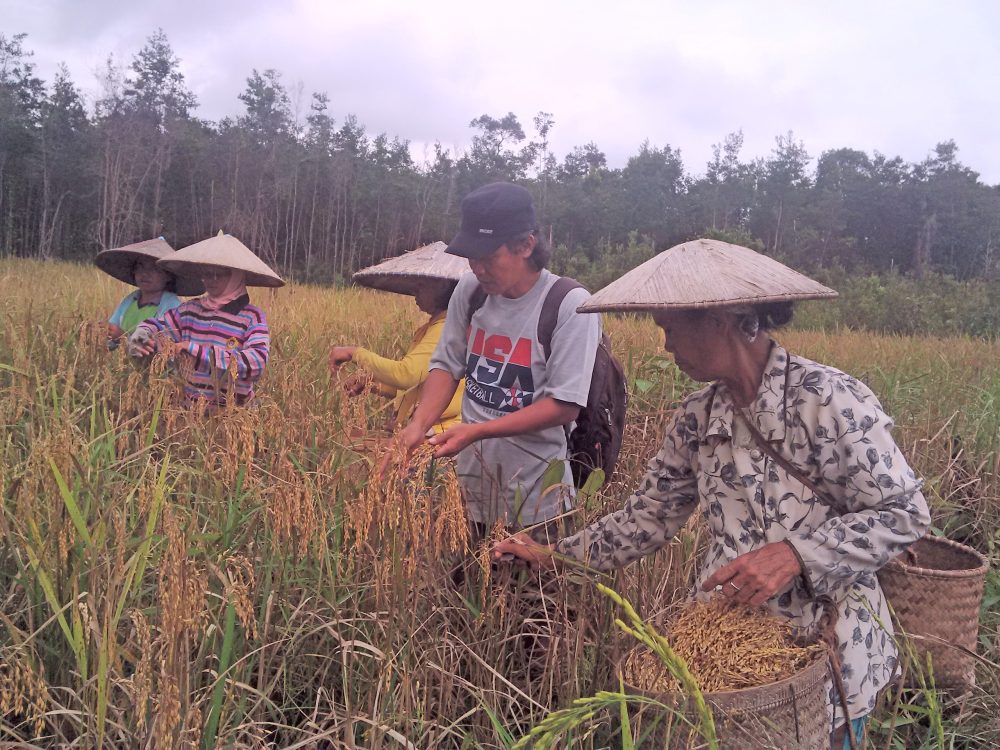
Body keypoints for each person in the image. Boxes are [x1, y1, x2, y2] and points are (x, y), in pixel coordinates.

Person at [493, 238, 931, 748]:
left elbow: (905, 513)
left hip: (829, 650)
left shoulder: (829, 401)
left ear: (719, 321)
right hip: (724, 651)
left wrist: (796, 554)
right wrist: (555, 555)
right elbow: (647, 518)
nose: (667, 347)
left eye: (671, 329)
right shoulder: (696, 418)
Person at [389, 182, 602, 540]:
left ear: (526, 245)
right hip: (471, 492)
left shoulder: (569, 304)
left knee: (529, 596)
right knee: (462, 590)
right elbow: (447, 364)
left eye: (488, 257)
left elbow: (564, 406)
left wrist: (478, 431)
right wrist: (417, 425)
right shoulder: (470, 291)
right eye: (472, 257)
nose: (478, 268)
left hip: (539, 500)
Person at [127, 232, 283, 408]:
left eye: (221, 273)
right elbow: (159, 326)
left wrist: (197, 351)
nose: (212, 280)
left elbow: (257, 363)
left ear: (237, 276)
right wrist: (143, 334)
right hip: (189, 413)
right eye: (207, 273)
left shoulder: (251, 317)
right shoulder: (190, 310)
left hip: (232, 418)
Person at [329, 278, 464, 432]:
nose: (415, 291)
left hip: (437, 431)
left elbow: (407, 374)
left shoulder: (444, 329)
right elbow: (416, 386)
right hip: (423, 430)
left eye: (422, 285)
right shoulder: (435, 326)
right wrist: (371, 384)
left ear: (444, 286)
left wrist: (354, 353)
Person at [95, 238, 202, 350]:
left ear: (168, 275)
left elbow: (164, 346)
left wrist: (123, 336)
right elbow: (113, 329)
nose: (145, 273)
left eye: (154, 268)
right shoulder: (131, 300)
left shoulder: (172, 306)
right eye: (140, 267)